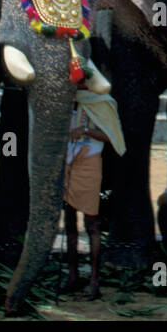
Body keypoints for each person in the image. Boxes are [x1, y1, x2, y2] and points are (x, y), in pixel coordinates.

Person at [62, 104, 109, 299]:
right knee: (69, 224)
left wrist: (87, 131)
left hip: (89, 163)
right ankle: (73, 277)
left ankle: (93, 281)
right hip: (68, 163)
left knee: (91, 224)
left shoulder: (101, 103)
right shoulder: (63, 102)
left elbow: (110, 136)